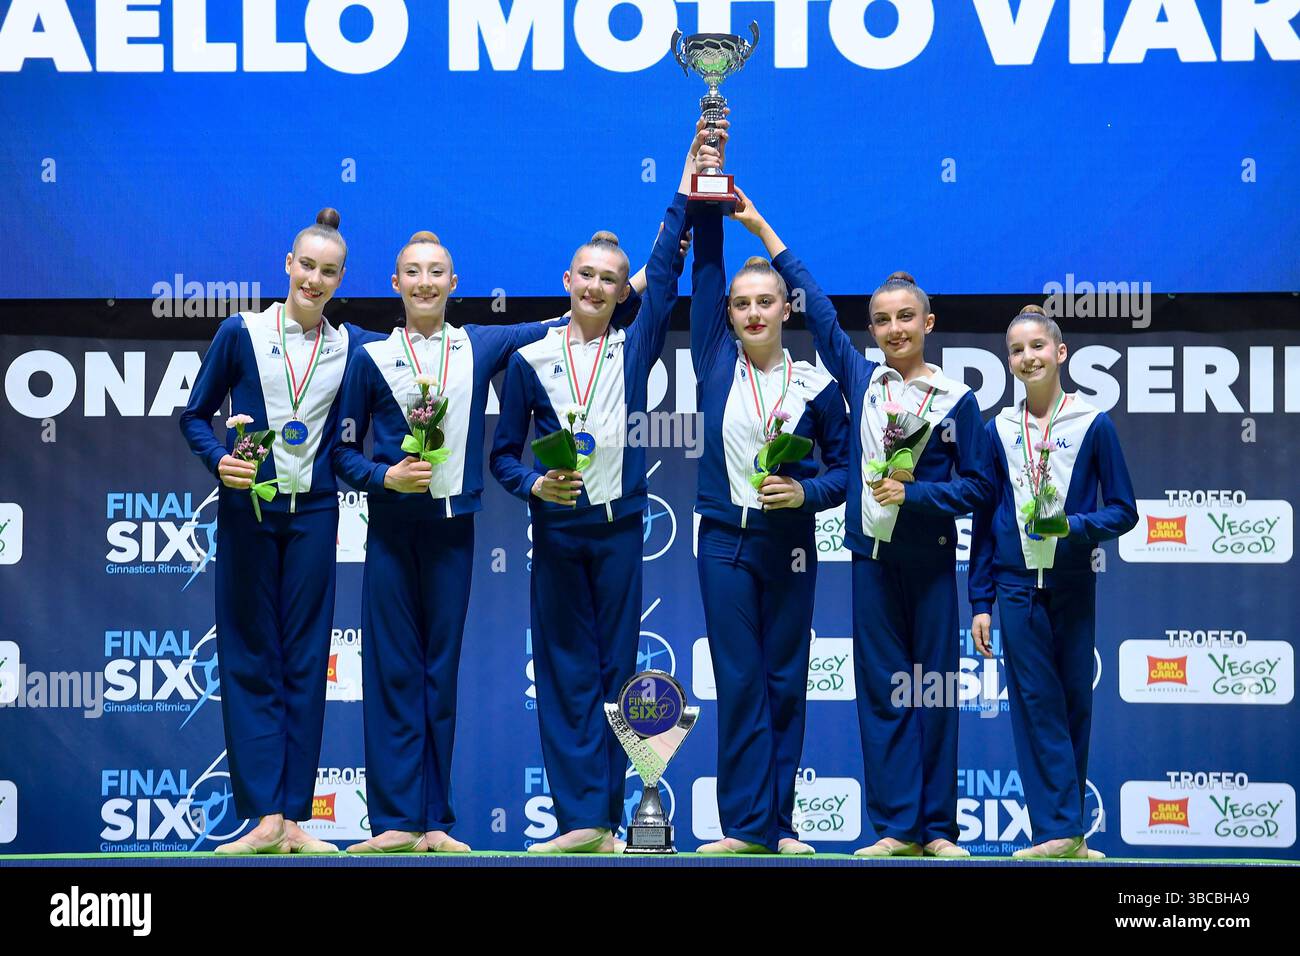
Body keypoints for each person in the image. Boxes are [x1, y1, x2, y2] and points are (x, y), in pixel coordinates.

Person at [734, 196, 995, 858]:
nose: (894, 329)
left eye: (906, 317)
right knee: (881, 697)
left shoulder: (957, 400)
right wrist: (764, 229)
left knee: (933, 696)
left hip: (932, 565)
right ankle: (896, 829)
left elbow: (980, 488)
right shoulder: (860, 379)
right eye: (881, 320)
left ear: (928, 321)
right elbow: (817, 308)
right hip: (871, 565)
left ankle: (938, 830)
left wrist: (918, 494)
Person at [489, 132, 700, 854]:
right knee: (563, 675)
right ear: (567, 279)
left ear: (622, 291)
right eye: (586, 275)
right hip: (557, 531)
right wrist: (534, 483)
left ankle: (610, 823)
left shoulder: (634, 346)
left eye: (610, 280)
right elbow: (500, 457)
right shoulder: (528, 359)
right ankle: (577, 821)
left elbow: (668, 271)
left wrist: (685, 183)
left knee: (619, 679)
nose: (595, 288)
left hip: (618, 530)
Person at [179, 208, 374, 854]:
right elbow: (194, 415)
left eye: (329, 272)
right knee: (250, 659)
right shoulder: (241, 333)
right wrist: (219, 462)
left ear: (341, 278)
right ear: (287, 266)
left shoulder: (350, 347)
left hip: (316, 516)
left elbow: (428, 347)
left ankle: (295, 819)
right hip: (248, 514)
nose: (314, 279)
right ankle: (262, 816)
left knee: (305, 662)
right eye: (306, 266)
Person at [687, 136, 849, 855]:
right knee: (741, 683)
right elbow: (707, 261)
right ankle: (742, 827)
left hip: (789, 546)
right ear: (728, 314)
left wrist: (806, 496)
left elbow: (846, 473)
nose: (753, 313)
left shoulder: (817, 383)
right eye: (742, 304)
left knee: (785, 682)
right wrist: (707, 177)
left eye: (767, 302)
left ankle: (779, 826)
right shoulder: (714, 356)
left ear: (788, 308)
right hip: (723, 542)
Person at [969, 305, 1137, 859]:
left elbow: (1124, 511)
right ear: (1009, 361)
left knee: (1072, 706)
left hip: (1071, 583)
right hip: (1016, 587)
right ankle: (1057, 832)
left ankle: (1071, 836)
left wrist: (1076, 526)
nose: (1027, 358)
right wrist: (982, 599)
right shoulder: (997, 429)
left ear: (1060, 353)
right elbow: (986, 519)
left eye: (1037, 347)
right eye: (1017, 350)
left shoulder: (1093, 422)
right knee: (1035, 705)